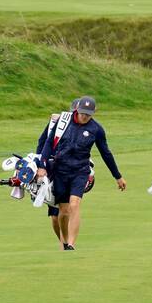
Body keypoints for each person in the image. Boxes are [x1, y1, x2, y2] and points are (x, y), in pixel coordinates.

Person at [34, 96, 126, 250]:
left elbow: (106, 153)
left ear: (94, 113)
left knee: (74, 204)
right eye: (82, 113)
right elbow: (48, 143)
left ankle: (71, 243)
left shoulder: (96, 129)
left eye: (88, 114)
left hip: (80, 171)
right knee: (63, 211)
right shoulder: (63, 122)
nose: (84, 116)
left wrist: (117, 176)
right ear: (77, 109)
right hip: (60, 170)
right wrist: (42, 165)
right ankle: (64, 242)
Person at [35, 101, 93, 249]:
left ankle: (66, 244)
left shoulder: (87, 128)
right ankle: (63, 242)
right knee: (55, 216)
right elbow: (42, 144)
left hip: (72, 172)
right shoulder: (59, 123)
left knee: (68, 208)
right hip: (54, 172)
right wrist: (41, 165)